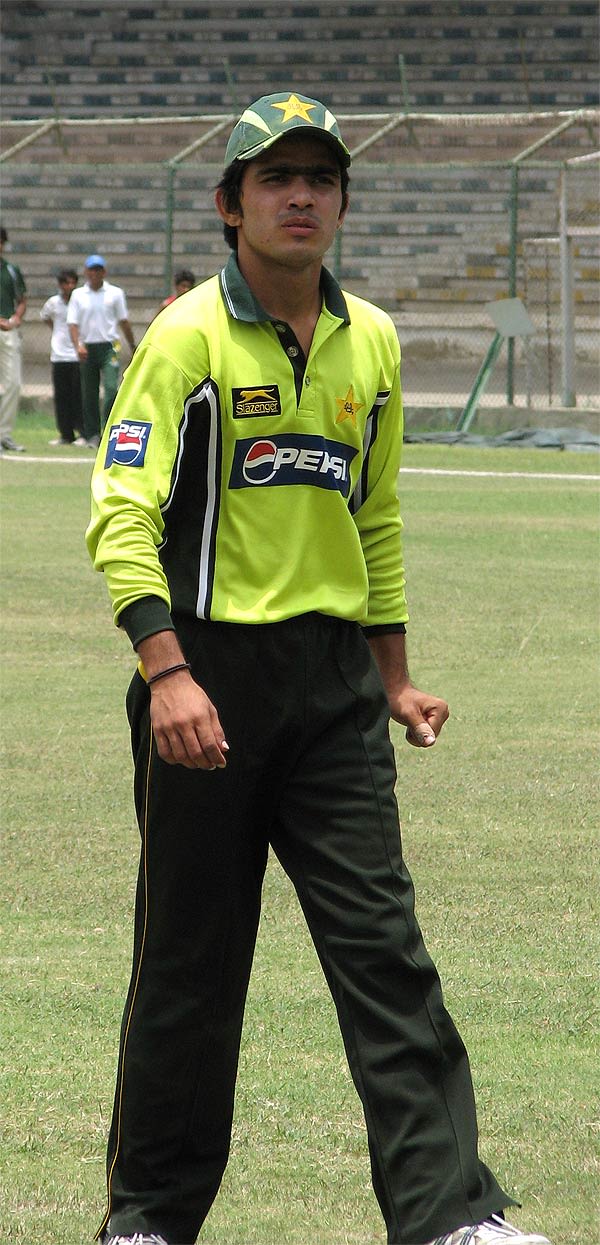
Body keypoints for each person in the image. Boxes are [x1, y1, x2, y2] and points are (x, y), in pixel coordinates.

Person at [86, 92, 553, 1245]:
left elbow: (374, 519)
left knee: (384, 952)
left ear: (342, 199)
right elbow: (119, 513)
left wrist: (394, 679)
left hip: (336, 690)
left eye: (322, 178)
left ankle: (451, 1216)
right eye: (276, 178)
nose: (301, 196)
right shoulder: (187, 338)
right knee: (191, 967)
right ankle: (147, 1218)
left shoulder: (374, 341)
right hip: (207, 683)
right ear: (230, 203)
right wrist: (168, 673)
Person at [67, 255, 136, 447]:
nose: (95, 273)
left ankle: (109, 430)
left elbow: (123, 321)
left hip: (109, 346)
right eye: (92, 270)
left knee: (112, 389)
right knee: (89, 393)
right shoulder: (79, 295)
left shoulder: (114, 293)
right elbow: (72, 324)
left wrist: (132, 344)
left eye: (98, 270)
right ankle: (92, 434)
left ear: (104, 272)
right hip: (87, 347)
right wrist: (77, 345)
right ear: (86, 272)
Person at [40, 267, 85, 446]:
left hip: (77, 355)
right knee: (62, 397)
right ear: (60, 285)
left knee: (78, 396)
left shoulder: (81, 301)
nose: (70, 285)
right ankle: (66, 435)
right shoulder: (53, 303)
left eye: (73, 282)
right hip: (59, 355)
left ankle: (83, 433)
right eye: (67, 282)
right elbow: (45, 317)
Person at [0, 225, 27, 453]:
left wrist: (16, 317)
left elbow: (22, 300)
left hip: (8, 332)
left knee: (13, 384)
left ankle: (4, 435)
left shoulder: (11, 269)